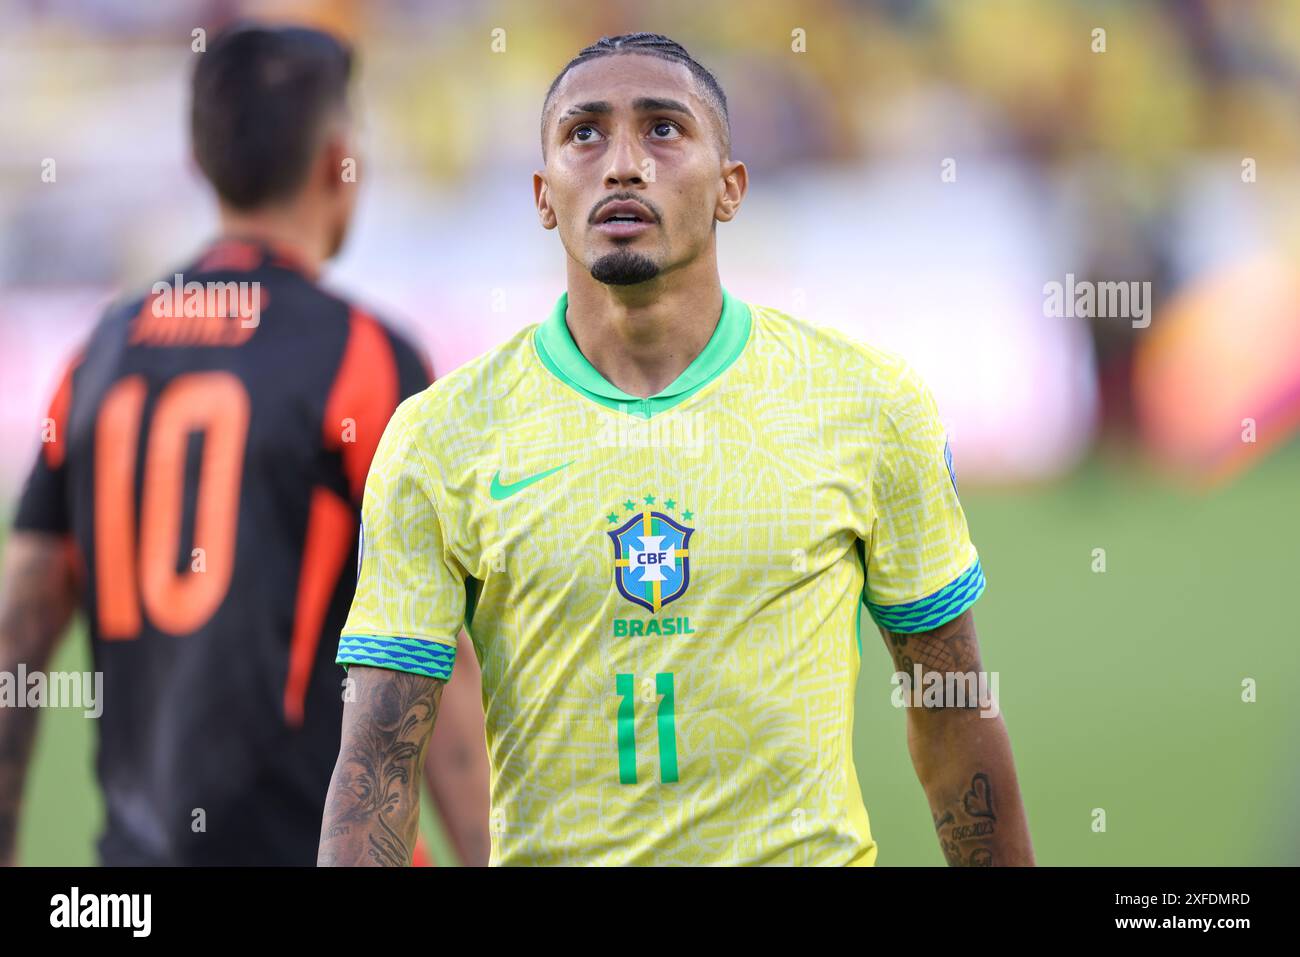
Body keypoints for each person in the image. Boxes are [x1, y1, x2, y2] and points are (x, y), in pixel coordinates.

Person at [319, 32, 1033, 866]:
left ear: (731, 188)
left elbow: (950, 710)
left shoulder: (866, 403)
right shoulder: (440, 436)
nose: (623, 163)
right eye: (585, 134)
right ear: (544, 195)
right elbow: (377, 762)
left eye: (664, 129)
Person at [0, 22, 489, 867]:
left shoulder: (99, 355)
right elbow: (432, 658)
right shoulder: (366, 358)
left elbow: (19, 638)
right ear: (341, 160)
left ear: (199, 161)